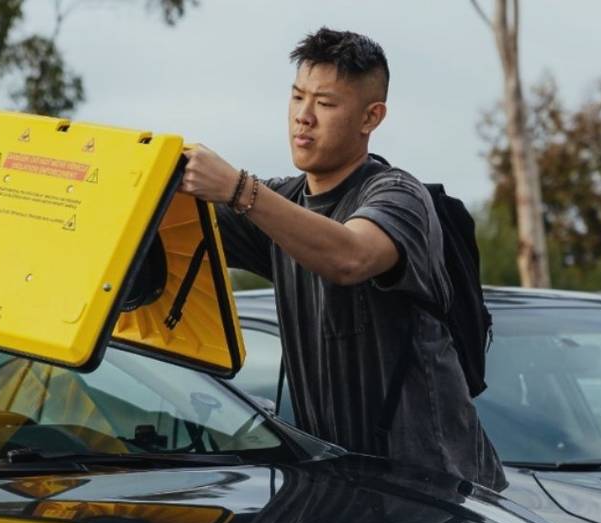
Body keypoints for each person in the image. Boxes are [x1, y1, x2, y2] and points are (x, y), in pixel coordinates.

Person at [181, 27, 506, 491]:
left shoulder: (399, 196)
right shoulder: (280, 203)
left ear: (371, 117)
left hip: (437, 493)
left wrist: (237, 189)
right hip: (341, 490)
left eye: (325, 104)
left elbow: (350, 256)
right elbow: (168, 226)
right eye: (297, 97)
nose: (303, 117)